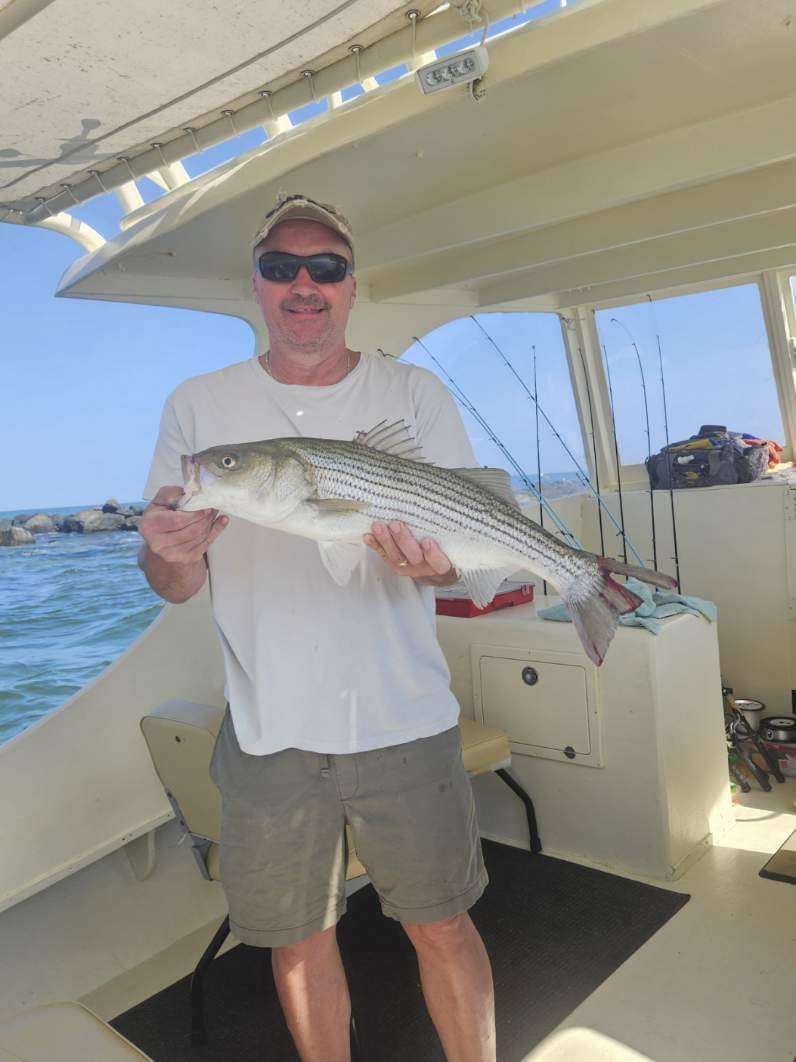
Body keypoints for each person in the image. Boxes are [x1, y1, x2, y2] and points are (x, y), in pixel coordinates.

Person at [138, 193, 496, 1062]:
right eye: (282, 267)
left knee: (442, 926)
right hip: (269, 731)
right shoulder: (198, 404)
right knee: (298, 941)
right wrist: (175, 550)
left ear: (351, 286)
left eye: (325, 267)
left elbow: (465, 551)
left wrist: (439, 565)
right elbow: (171, 581)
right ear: (255, 286)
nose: (304, 284)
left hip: (403, 714)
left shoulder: (412, 393)